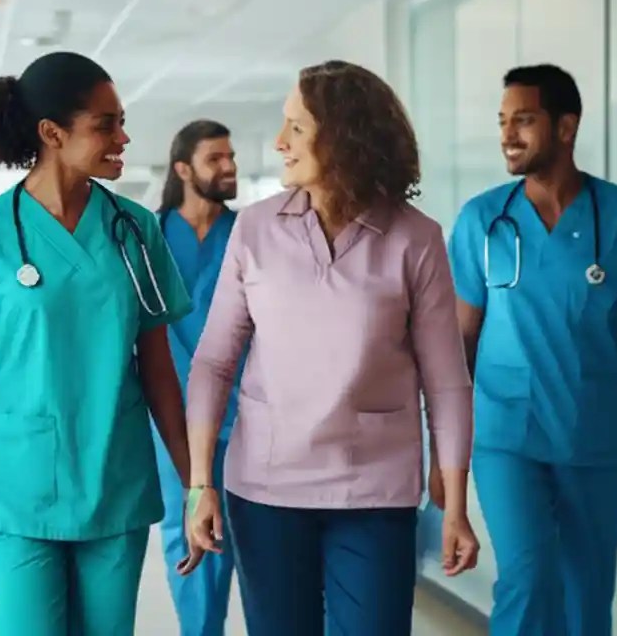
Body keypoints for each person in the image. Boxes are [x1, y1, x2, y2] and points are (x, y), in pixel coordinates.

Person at [184, 60, 480, 636]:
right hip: (267, 489)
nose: (279, 142)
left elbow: (446, 379)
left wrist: (457, 504)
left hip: (374, 490)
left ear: (343, 135)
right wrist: (201, 482)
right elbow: (215, 362)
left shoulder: (415, 239)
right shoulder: (255, 230)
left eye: (297, 126)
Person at [0, 51, 199, 635]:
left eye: (121, 121)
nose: (123, 137)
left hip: (114, 481)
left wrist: (195, 482)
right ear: (52, 133)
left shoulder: (136, 230)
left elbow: (159, 370)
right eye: (106, 124)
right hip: (16, 490)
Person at [447, 64, 617, 636]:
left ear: (566, 127)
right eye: (503, 121)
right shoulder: (483, 219)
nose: (508, 135)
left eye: (523, 120)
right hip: (505, 436)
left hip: (592, 435)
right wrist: (443, 453)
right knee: (527, 579)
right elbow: (459, 345)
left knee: (587, 594)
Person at [152, 119, 247, 636]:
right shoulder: (148, 235)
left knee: (250, 539)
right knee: (190, 533)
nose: (229, 166)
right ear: (183, 169)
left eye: (230, 156)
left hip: (247, 412)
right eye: (216, 158)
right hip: (173, 418)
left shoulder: (249, 234)